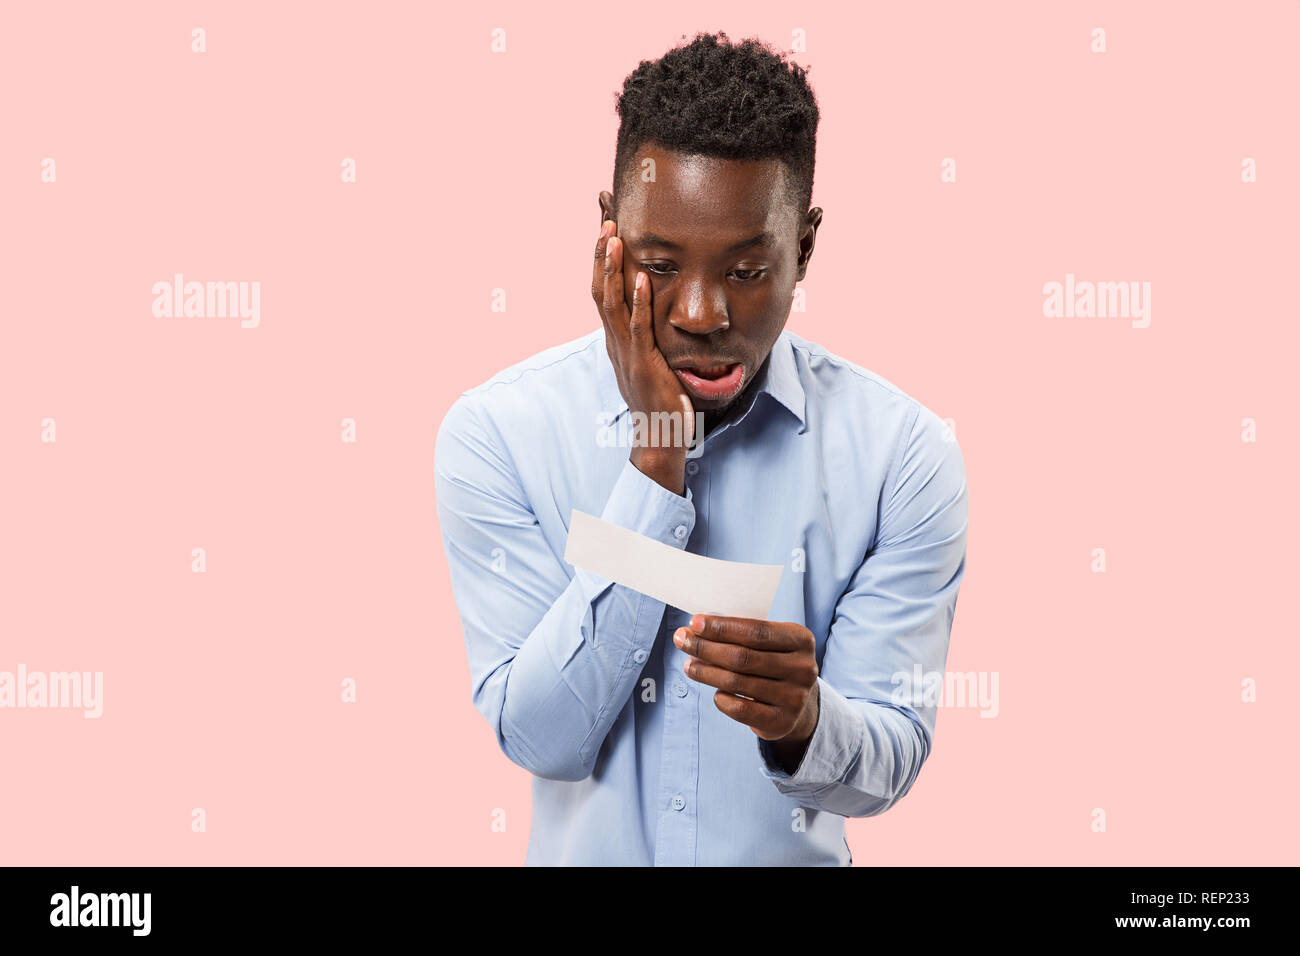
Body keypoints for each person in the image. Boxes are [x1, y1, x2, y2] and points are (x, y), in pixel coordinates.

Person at [435, 31, 968, 865]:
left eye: (748, 271)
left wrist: (806, 724)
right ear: (609, 238)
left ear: (805, 248)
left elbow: (891, 758)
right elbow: (542, 737)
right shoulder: (498, 434)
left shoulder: (903, 456)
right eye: (658, 264)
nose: (700, 313)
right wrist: (656, 458)